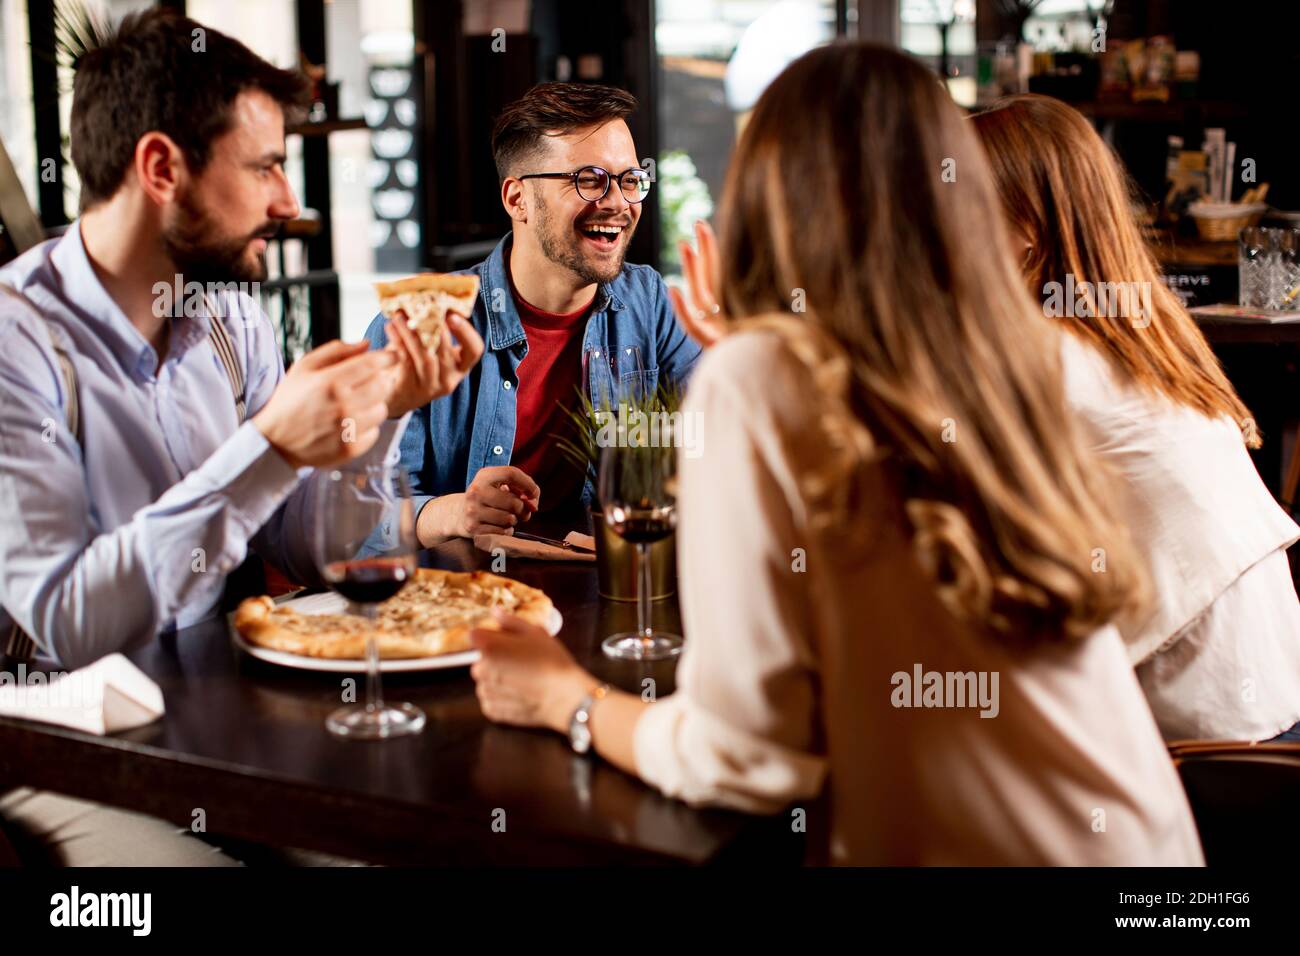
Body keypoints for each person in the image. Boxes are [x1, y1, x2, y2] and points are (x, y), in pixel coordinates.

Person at [465, 44, 1204, 865]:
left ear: (773, 190)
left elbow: (744, 760)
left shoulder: (762, 377)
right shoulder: (1016, 355)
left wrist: (565, 700)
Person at [0, 10, 482, 865]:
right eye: (264, 167)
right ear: (161, 168)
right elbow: (68, 623)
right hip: (57, 747)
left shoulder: (225, 313)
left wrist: (380, 419)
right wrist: (272, 445)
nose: (289, 204)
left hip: (220, 711)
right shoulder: (19, 341)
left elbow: (309, 543)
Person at [972, 94, 1300, 742]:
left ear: (1026, 231)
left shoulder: (1045, 355)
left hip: (1206, 747)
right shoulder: (1139, 329)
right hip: (1277, 703)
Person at [364, 83, 700, 544]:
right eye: (589, 179)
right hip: (465, 599)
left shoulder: (649, 300)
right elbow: (358, 511)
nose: (618, 203)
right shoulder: (418, 323)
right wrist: (453, 513)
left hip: (603, 585)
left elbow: (716, 442)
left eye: (628, 180)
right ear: (517, 199)